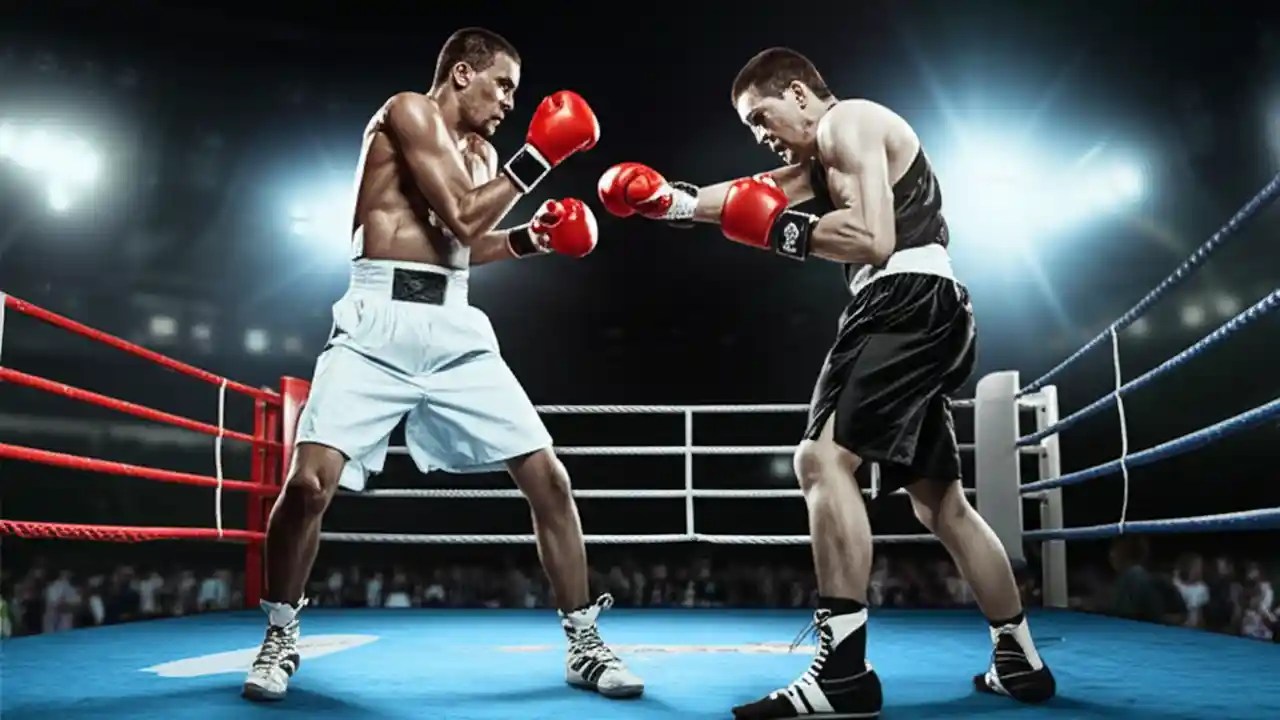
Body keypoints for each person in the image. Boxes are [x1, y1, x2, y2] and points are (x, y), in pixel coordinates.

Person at [597, 46, 1055, 718]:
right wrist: (669, 201)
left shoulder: (850, 122)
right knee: (939, 504)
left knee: (820, 459)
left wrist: (780, 232)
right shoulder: (825, 155)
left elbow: (870, 236)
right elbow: (756, 194)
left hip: (900, 297)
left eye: (761, 114)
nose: (758, 131)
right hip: (931, 306)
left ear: (798, 93)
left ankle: (842, 671)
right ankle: (1017, 655)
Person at [242, 27, 643, 703]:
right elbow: (458, 214)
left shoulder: (484, 154)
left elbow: (468, 243)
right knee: (308, 486)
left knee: (549, 478)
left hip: (454, 324)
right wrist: (542, 154)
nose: (512, 102)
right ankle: (280, 634)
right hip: (375, 320)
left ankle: (584, 643)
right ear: (463, 73)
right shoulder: (407, 111)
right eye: (504, 85)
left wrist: (533, 239)